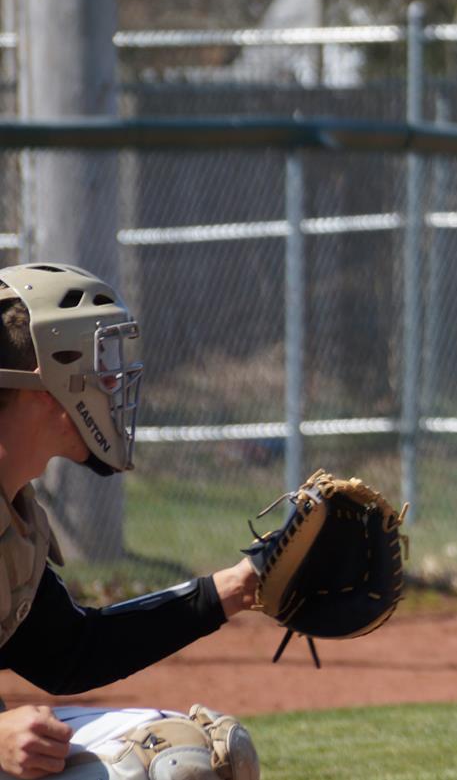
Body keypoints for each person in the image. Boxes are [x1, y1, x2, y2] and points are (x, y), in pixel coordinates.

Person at [0, 262, 260, 780]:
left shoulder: (17, 515)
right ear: (44, 383)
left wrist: (236, 587)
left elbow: (71, 652)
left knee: (189, 756)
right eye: (99, 361)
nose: (112, 380)